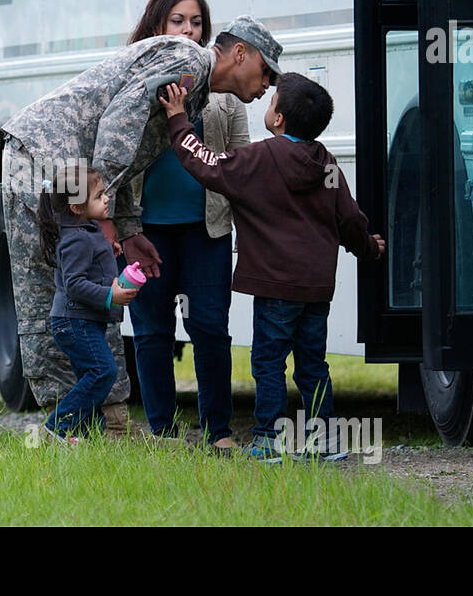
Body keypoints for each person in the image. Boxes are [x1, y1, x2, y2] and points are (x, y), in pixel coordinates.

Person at [0, 14, 278, 437]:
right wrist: (105, 213)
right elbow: (118, 125)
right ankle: (70, 426)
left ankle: (95, 424)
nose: (266, 88)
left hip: (72, 175)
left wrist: (128, 229)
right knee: (51, 295)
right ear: (240, 54)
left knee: (89, 292)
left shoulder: (196, 89)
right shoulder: (189, 61)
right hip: (44, 161)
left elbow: (134, 152)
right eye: (266, 73)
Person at [160, 73, 386, 461]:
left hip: (274, 288)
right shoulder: (326, 164)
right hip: (315, 289)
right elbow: (349, 219)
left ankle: (269, 439)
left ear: (278, 119)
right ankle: (326, 441)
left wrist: (178, 118)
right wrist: (368, 248)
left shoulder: (260, 158)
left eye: (270, 102)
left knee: (268, 363)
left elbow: (206, 165)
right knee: (313, 364)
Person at [123, 0, 265, 452]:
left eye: (197, 23)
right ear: (157, 28)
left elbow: (243, 168)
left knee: (209, 327)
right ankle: (162, 430)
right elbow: (118, 163)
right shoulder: (135, 86)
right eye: (178, 22)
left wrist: (251, 235)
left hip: (209, 229)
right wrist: (122, 229)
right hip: (148, 229)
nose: (188, 31)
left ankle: (218, 431)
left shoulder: (223, 97)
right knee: (152, 331)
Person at [36, 164, 139, 442]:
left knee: (90, 377)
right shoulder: (76, 240)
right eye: (99, 196)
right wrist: (111, 296)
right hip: (74, 322)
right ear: (76, 207)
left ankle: (85, 436)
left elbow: (90, 266)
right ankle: (54, 428)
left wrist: (108, 253)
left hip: (83, 321)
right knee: (103, 371)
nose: (106, 199)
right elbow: (74, 284)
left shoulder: (87, 230)